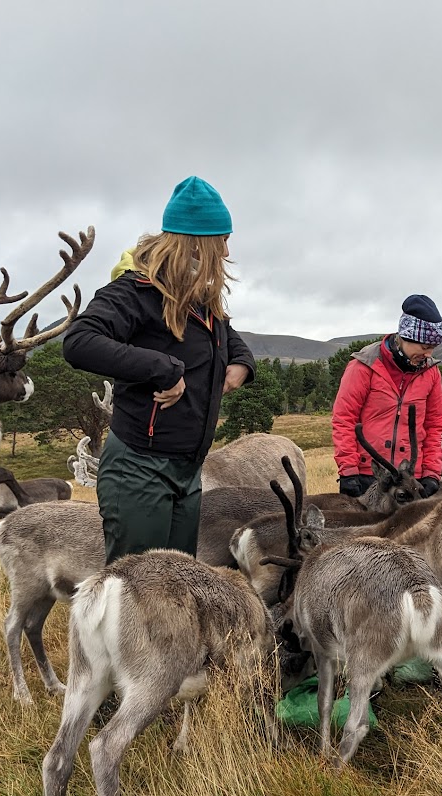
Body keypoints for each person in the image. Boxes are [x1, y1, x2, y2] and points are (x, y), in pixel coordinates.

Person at [63, 176, 255, 563]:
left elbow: (225, 332)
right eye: (223, 239)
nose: (228, 249)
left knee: (176, 582)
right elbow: (79, 341)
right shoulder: (136, 291)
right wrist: (165, 368)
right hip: (139, 469)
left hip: (187, 470)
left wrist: (241, 364)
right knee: (138, 591)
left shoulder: (200, 294)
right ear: (198, 241)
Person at [331, 294, 442, 498]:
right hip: (367, 476)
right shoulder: (364, 366)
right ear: (405, 336)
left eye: (432, 349)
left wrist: (431, 474)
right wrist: (348, 470)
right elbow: (344, 419)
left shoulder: (431, 373)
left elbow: (434, 426)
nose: (428, 355)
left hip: (411, 479)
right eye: (424, 347)